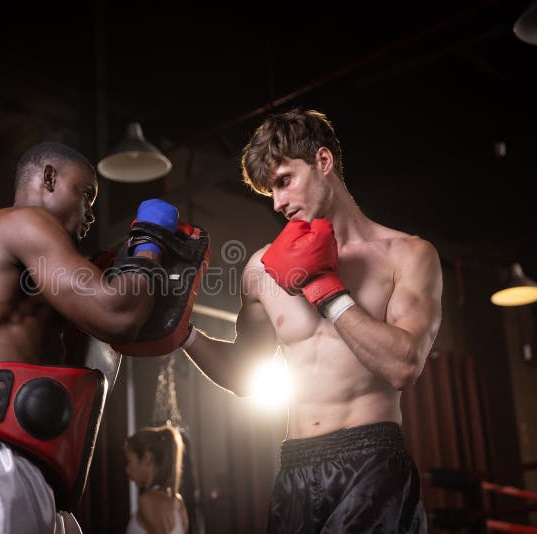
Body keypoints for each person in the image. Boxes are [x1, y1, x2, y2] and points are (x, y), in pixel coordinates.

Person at [183, 108, 442, 533]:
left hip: (372, 462)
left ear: (323, 162)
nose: (279, 203)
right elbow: (243, 376)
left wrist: (324, 289)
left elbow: (403, 365)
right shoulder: (261, 269)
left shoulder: (407, 255)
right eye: (270, 191)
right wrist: (181, 332)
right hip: (295, 468)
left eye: (284, 181)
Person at [0, 142, 182, 534]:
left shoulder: (19, 259)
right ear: (48, 178)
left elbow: (118, 327)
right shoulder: (24, 223)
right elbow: (118, 315)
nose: (92, 213)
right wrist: (150, 242)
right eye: (86, 194)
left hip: (24, 451)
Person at [124, 426, 189, 534]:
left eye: (129, 460)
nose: (127, 469)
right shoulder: (177, 501)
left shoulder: (148, 501)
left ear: (147, 458)